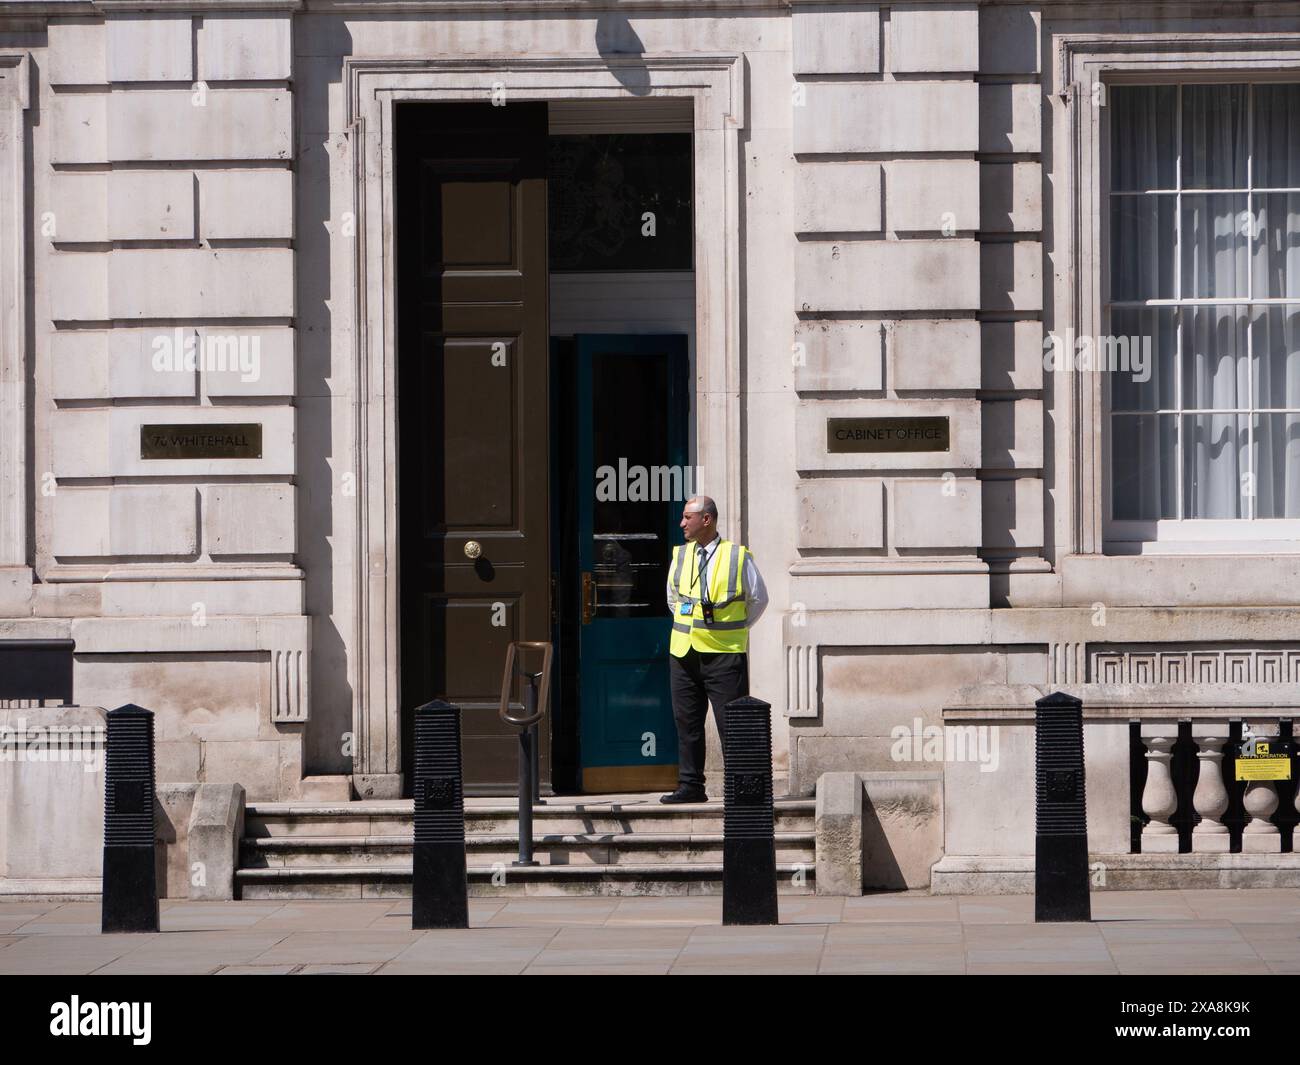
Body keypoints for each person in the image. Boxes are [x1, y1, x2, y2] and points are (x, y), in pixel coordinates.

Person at [661, 495, 767, 803]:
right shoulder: (680, 555)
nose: (682, 523)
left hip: (723, 654)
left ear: (706, 520)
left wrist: (735, 628)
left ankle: (741, 790)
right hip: (683, 652)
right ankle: (690, 786)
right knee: (687, 723)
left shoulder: (736, 556)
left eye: (687, 517)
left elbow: (758, 599)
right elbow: (673, 598)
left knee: (732, 725)